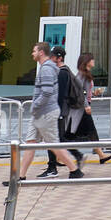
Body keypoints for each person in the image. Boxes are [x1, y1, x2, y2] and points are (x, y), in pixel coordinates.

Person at [9, 42, 82, 183]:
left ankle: (75, 170)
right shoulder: (46, 68)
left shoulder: (47, 69)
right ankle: (20, 176)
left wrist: (35, 105)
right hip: (40, 113)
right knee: (30, 143)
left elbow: (47, 92)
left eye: (34, 51)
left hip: (45, 112)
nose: (32, 53)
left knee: (53, 144)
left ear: (41, 52)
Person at [64, 53, 111, 164]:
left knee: (79, 133)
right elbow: (80, 93)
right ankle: (100, 155)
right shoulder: (82, 75)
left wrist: (93, 93)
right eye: (92, 59)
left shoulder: (85, 74)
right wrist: (87, 106)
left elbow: (84, 92)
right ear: (87, 61)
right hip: (81, 109)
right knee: (88, 132)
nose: (94, 61)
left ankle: (101, 155)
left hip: (82, 108)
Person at [42, 45, 84, 177]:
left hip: (59, 110)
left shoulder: (62, 73)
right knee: (57, 138)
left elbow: (60, 95)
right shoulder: (61, 71)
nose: (51, 58)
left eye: (53, 56)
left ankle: (52, 168)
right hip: (60, 110)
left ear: (59, 58)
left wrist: (54, 110)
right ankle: (75, 156)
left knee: (53, 139)